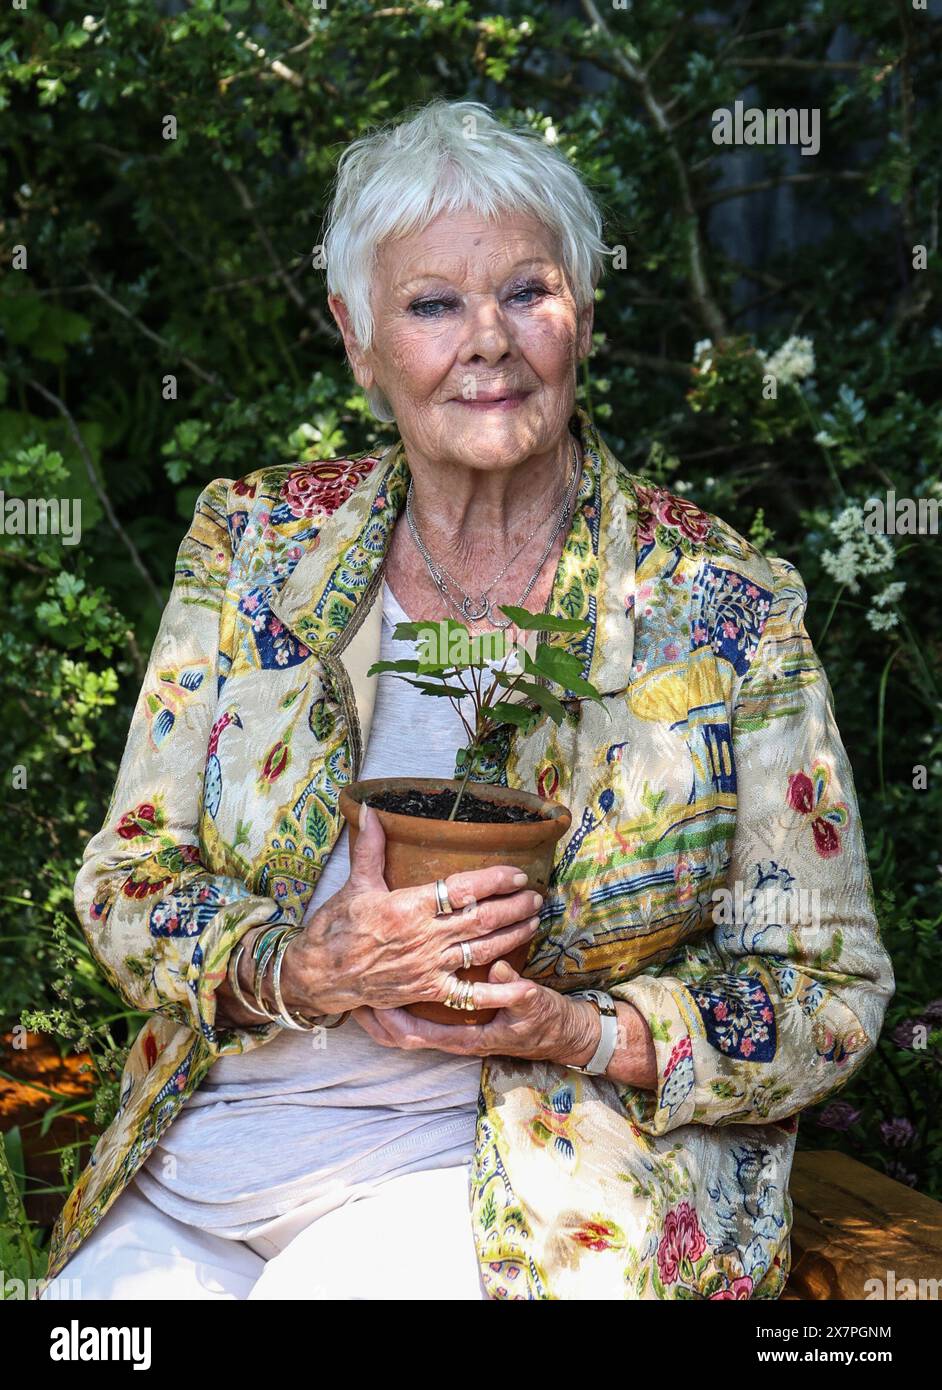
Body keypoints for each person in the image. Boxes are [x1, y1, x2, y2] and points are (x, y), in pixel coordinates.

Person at [38, 98, 894, 1301]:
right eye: (433, 304)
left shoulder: (722, 604)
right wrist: (302, 966)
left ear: (582, 316)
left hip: (530, 1179)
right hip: (213, 1163)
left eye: (527, 293)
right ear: (358, 338)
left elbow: (830, 991)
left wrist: (576, 1028)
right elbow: (128, 880)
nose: (486, 340)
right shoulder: (259, 547)